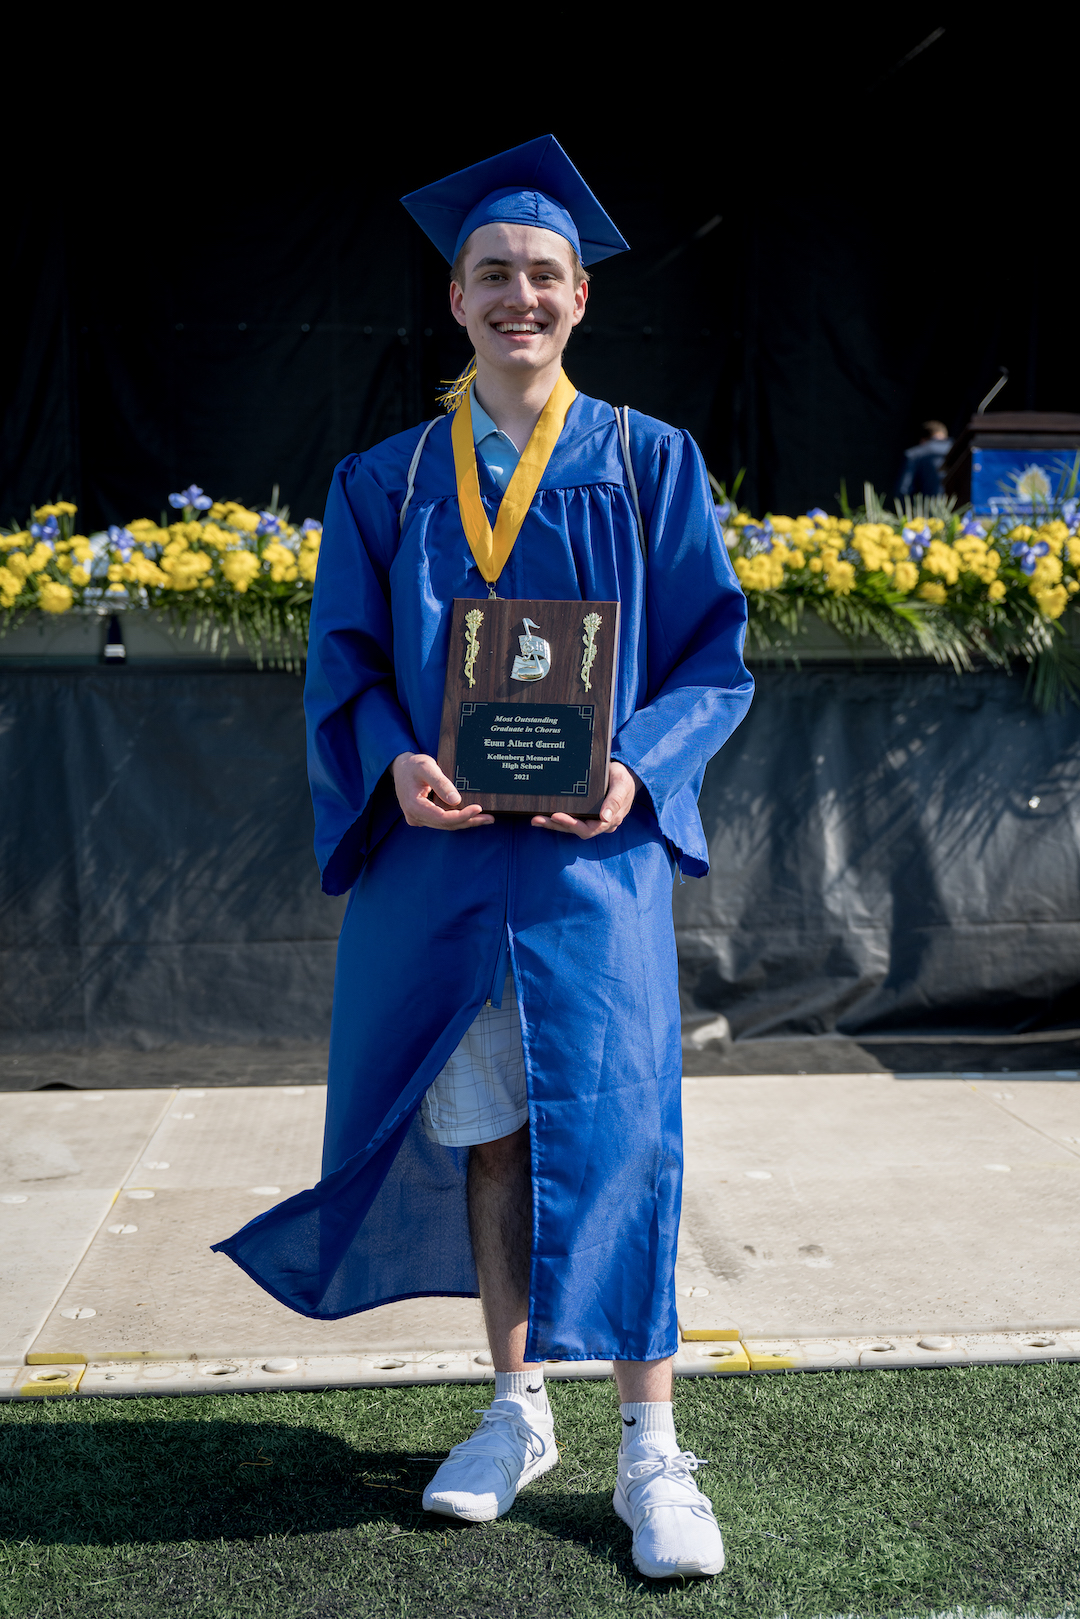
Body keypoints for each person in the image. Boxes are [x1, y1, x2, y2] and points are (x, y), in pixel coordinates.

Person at [213, 135, 753, 1580]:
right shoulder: (385, 481)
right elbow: (346, 661)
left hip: (591, 865)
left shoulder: (650, 463)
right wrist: (393, 752)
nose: (522, 295)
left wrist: (636, 763)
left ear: (583, 301)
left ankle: (652, 1442)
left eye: (546, 275)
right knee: (491, 1136)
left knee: (624, 1128)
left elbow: (713, 655)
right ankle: (518, 1403)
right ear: (455, 297)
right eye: (495, 274)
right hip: (443, 866)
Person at [897, 419, 953, 498]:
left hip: (924, 508)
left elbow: (903, 490)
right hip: (961, 509)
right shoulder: (963, 452)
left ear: (922, 440)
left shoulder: (914, 454)